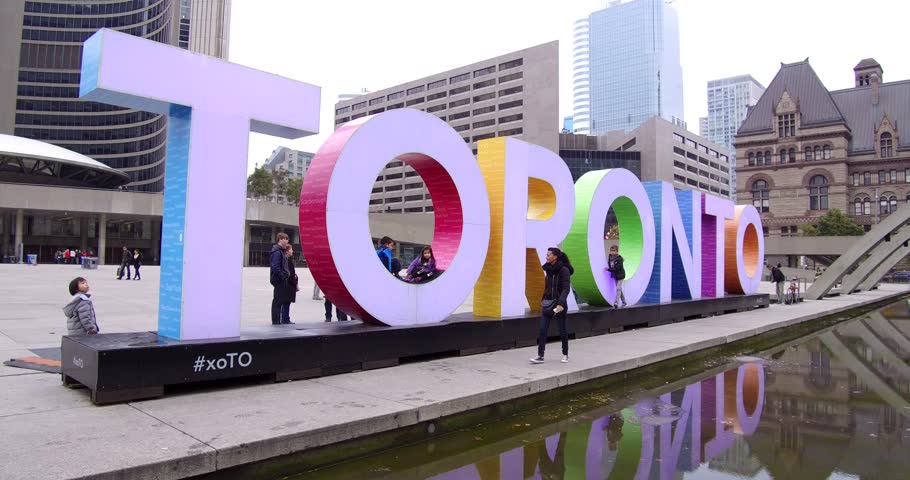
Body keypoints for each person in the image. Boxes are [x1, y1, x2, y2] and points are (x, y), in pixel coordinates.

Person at [530, 247, 574, 364]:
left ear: (555, 257)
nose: (546, 257)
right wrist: (543, 299)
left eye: (549, 255)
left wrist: (561, 303)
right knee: (542, 329)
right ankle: (540, 355)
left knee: (562, 330)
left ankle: (565, 354)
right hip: (548, 304)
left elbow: (566, 289)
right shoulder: (548, 269)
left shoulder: (564, 270)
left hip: (559, 305)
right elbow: (547, 286)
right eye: (547, 255)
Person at [269, 232, 290, 325]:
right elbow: (275, 267)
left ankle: (277, 320)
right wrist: (282, 276)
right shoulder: (277, 252)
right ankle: (276, 321)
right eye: (284, 238)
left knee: (279, 300)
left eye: (287, 239)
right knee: (277, 301)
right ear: (280, 239)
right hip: (279, 280)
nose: (286, 240)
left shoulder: (281, 251)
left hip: (281, 279)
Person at [277, 245, 299, 324]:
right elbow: (290, 274)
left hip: (289, 284)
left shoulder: (287, 260)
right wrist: (294, 282)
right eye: (291, 250)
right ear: (287, 251)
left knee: (286, 302)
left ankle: (286, 318)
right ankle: (285, 319)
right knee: (286, 302)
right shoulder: (287, 261)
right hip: (288, 285)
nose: (292, 251)